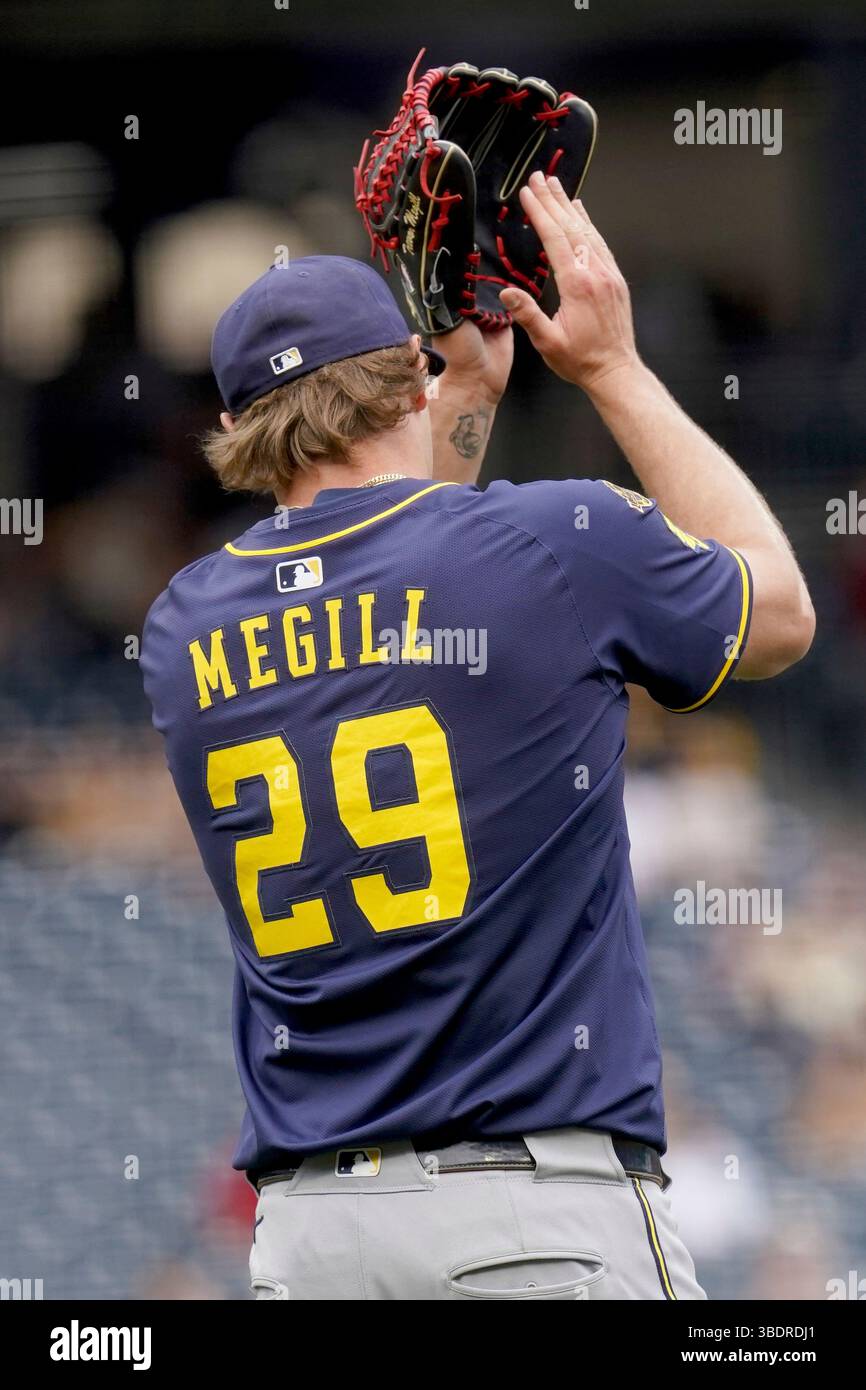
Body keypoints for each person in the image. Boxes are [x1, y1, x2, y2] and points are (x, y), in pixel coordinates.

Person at [141, 171, 814, 1301]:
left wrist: (458, 410)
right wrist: (611, 367)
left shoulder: (181, 625)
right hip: (531, 1216)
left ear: (232, 424)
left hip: (310, 1242)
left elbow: (396, 601)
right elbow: (780, 613)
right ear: (405, 377)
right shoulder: (556, 540)